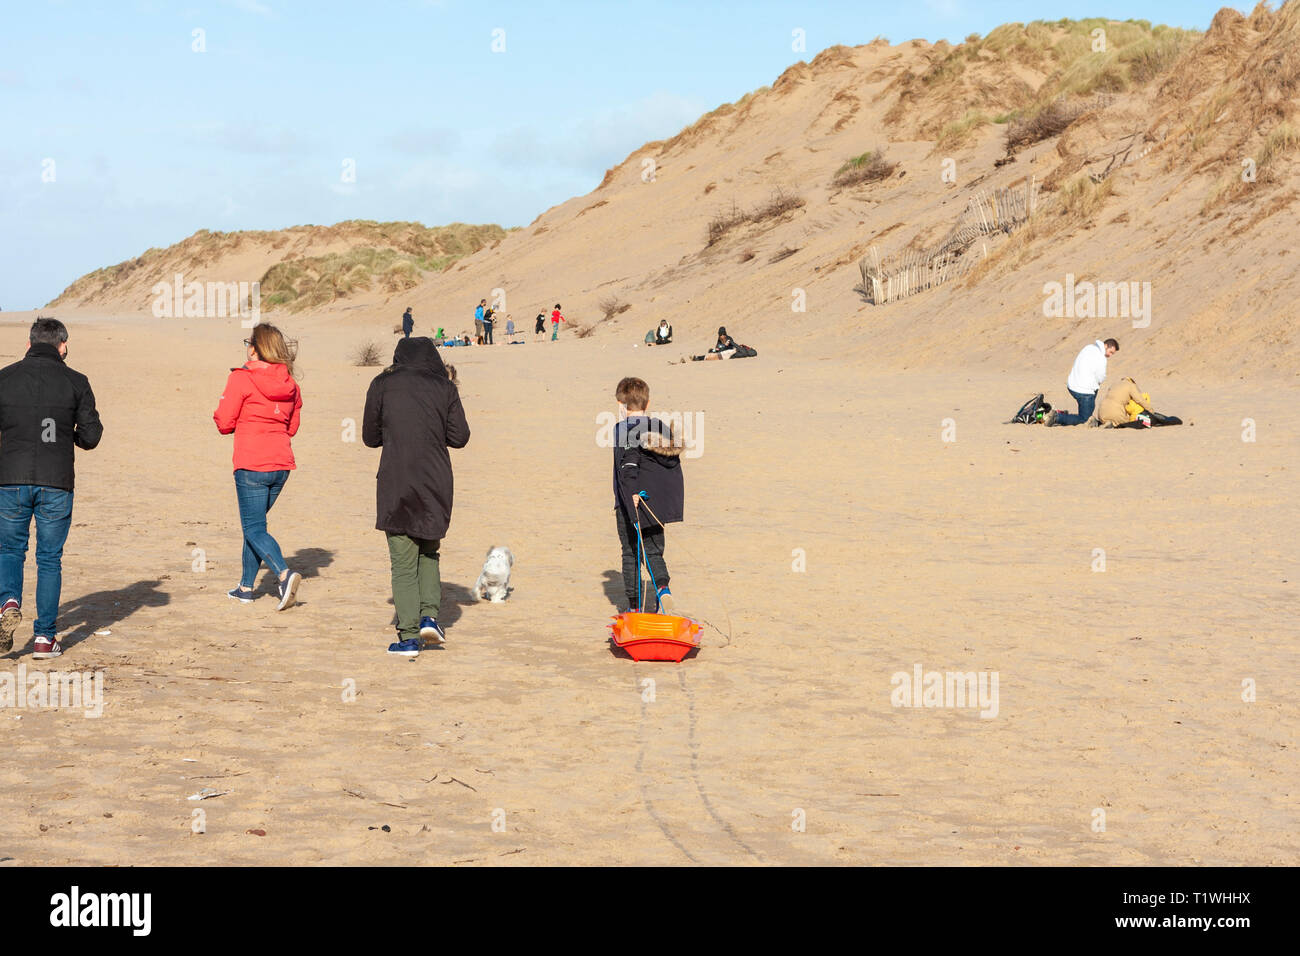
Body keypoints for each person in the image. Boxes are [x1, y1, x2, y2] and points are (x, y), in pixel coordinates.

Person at [0, 318, 103, 659]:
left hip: (10, 480)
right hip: (56, 482)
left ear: (29, 345)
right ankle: (44, 638)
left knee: (10, 551)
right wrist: (65, 434)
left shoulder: (5, 378)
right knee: (49, 559)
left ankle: (8, 601)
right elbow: (91, 436)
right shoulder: (77, 381)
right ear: (63, 346)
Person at [363, 337, 470, 657]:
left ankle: (408, 636)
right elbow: (460, 437)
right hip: (435, 482)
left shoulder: (381, 384)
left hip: (396, 481)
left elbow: (370, 437)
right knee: (429, 552)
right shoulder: (445, 387)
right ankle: (430, 617)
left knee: (403, 562)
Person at [213, 324, 304, 610]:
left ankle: (284, 573)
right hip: (280, 465)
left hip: (252, 464)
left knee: (253, 527)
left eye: (248, 342)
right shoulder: (290, 384)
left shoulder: (241, 378)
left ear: (255, 347)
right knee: (255, 526)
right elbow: (292, 427)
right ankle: (246, 586)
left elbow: (224, 422)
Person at [612, 376, 684, 615]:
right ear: (647, 402)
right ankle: (662, 592)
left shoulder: (622, 428)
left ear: (621, 405)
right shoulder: (661, 427)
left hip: (629, 500)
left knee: (631, 551)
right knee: (653, 550)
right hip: (656, 503)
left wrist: (631, 496)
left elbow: (626, 467)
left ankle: (635, 607)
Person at [1046, 338, 1119, 426]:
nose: (1110, 355)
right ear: (1106, 346)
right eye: (1110, 352)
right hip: (1084, 391)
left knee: (1087, 412)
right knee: (1085, 419)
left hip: (1072, 385)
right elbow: (1100, 377)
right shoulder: (1101, 357)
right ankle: (1057, 417)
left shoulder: (1088, 347)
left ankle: (1067, 416)